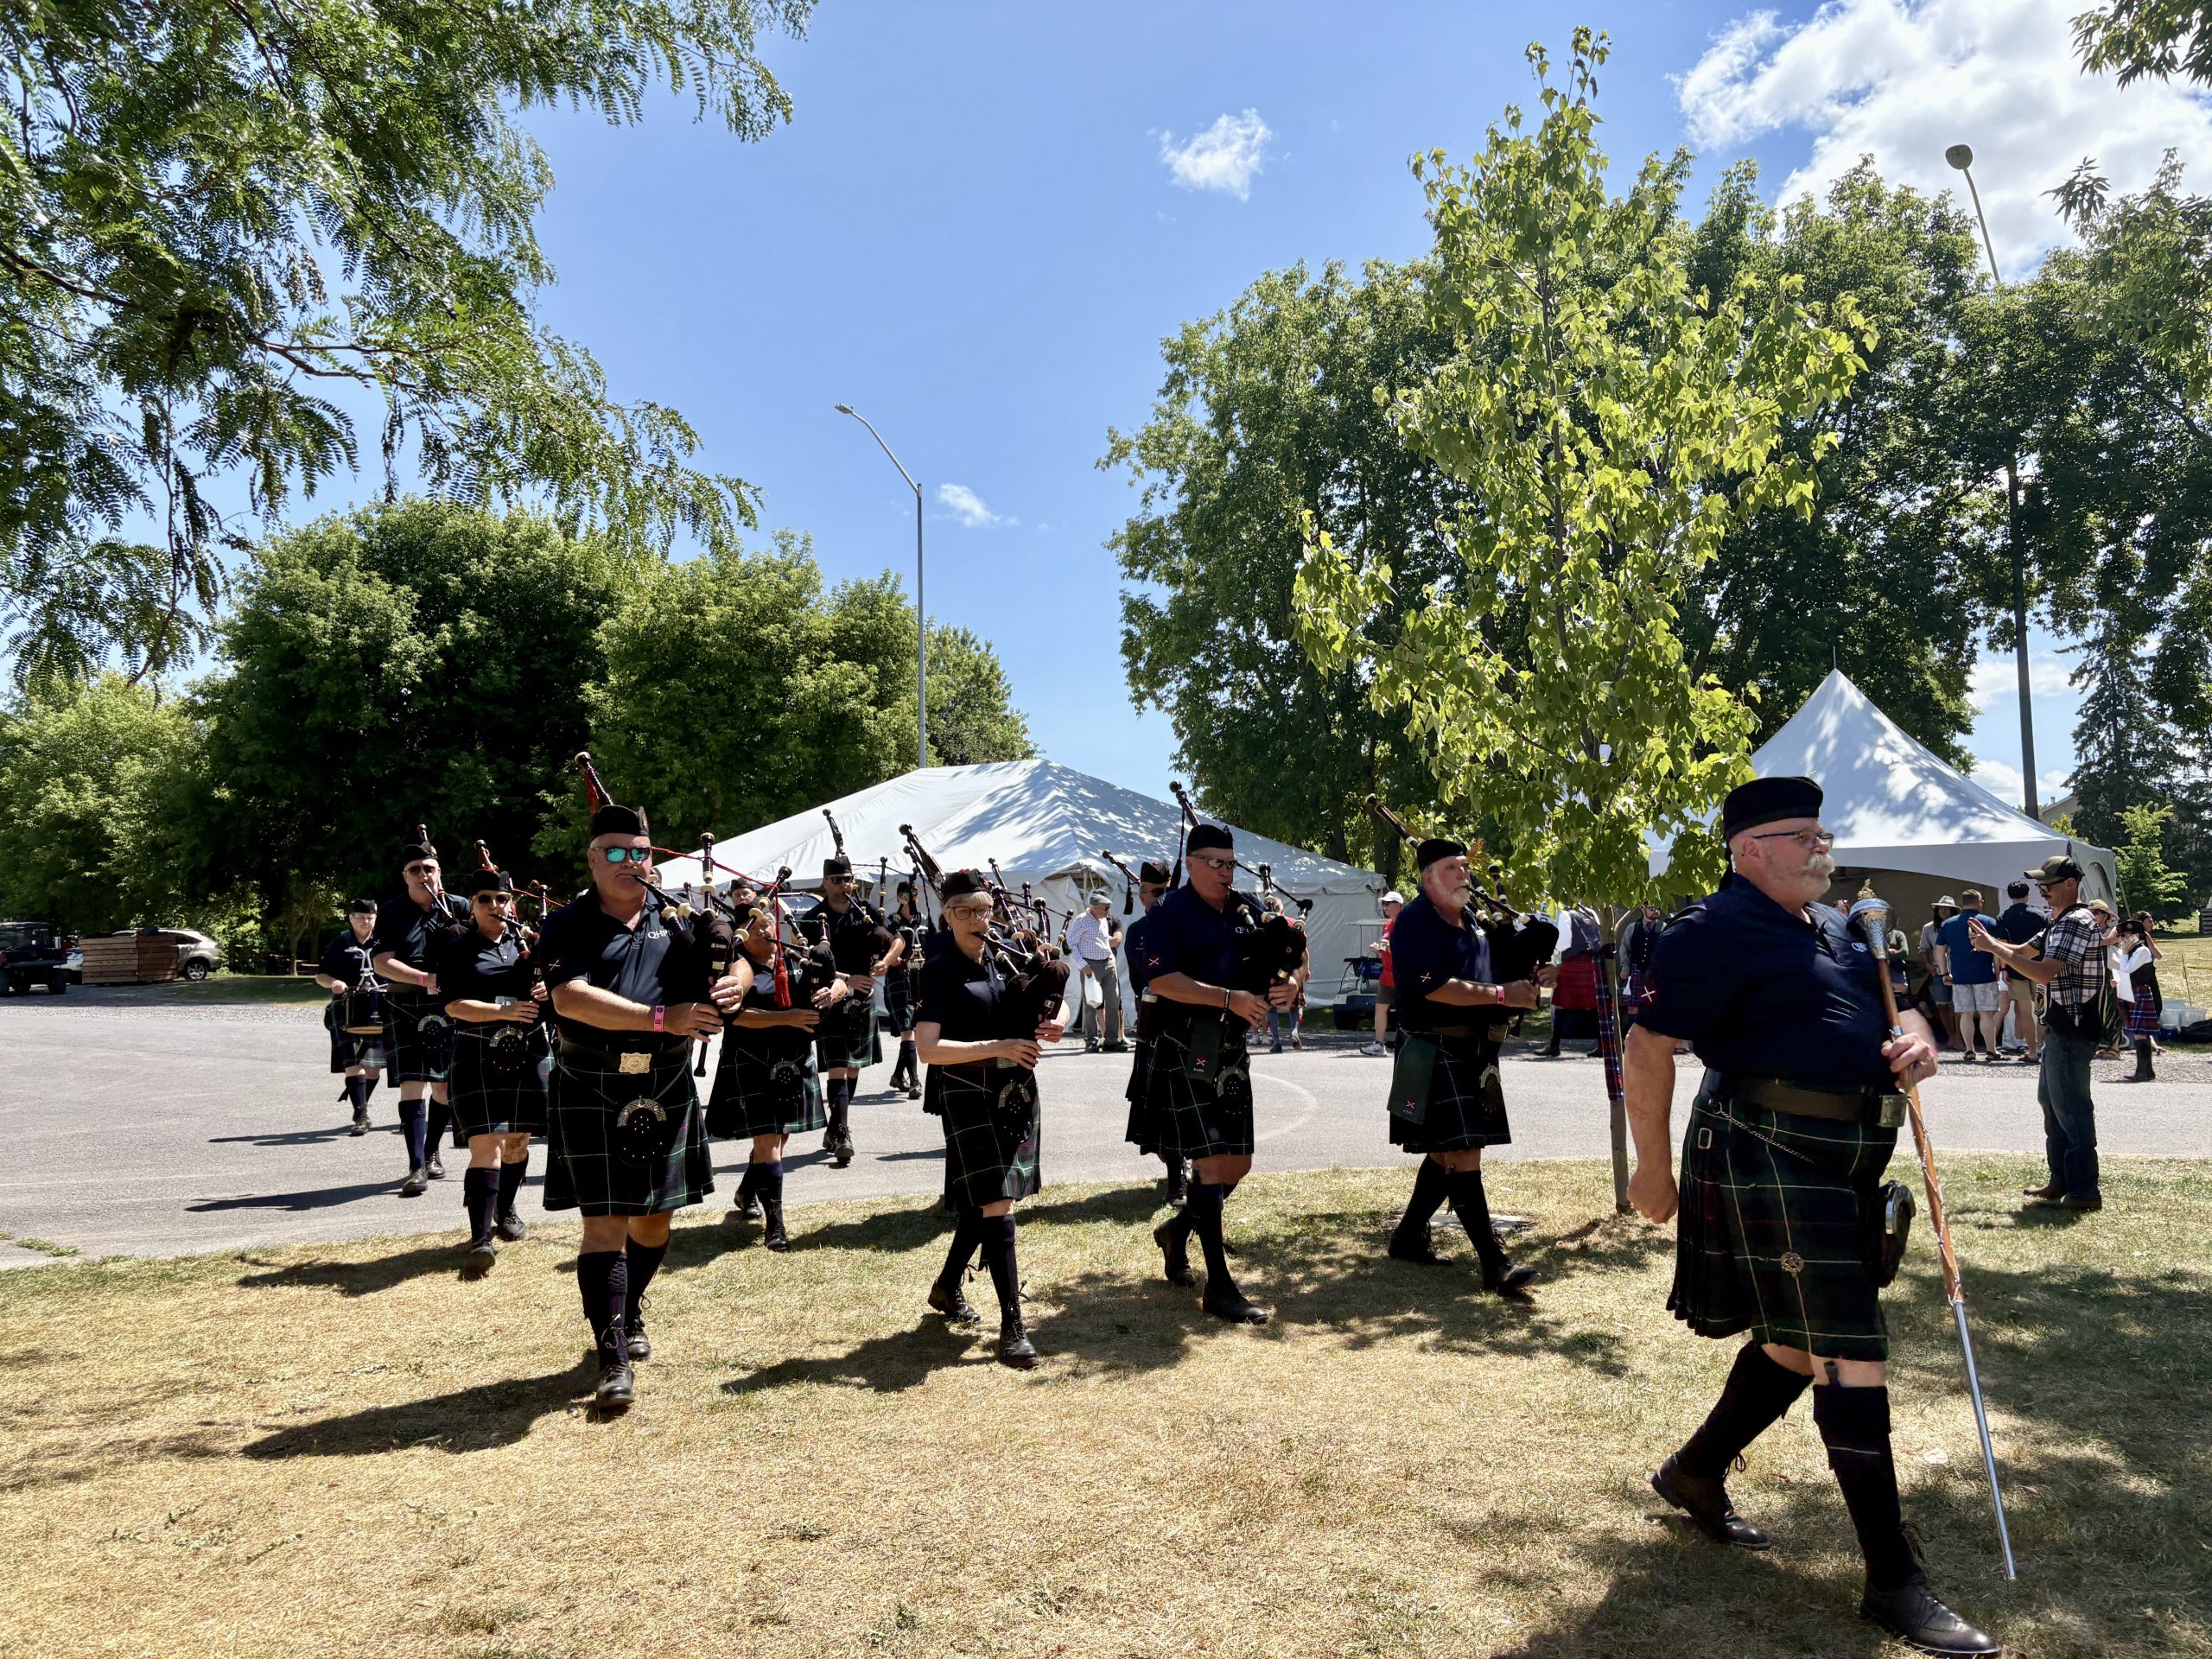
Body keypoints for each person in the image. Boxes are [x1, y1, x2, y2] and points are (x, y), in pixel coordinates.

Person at [1623, 776, 1996, 1656]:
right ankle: (1892, 1580)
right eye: (1803, 837)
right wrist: (1649, 1166)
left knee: (1798, 1342)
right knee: (1848, 1349)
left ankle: (1693, 1473)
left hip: (1852, 1156)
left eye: (1823, 833)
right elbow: (1647, 1046)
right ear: (1749, 850)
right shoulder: (1707, 932)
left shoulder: (1836, 925)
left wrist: (1917, 1041)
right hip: (1766, 1147)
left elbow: (1898, 1007)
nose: (1822, 847)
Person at [537, 801, 723, 1408]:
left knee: (654, 1222)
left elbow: (736, 966)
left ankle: (630, 1305)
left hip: (665, 1082)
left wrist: (734, 983)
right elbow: (570, 999)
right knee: (606, 1224)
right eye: (615, 852)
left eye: (640, 852)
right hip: (592, 1080)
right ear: (593, 860)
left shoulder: (676, 919)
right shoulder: (567, 924)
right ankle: (612, 1357)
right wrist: (663, 1018)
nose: (630, 862)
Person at [1142, 823, 1307, 1324]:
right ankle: (1219, 1287)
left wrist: (1292, 985)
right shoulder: (1167, 913)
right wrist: (1228, 998)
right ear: (1191, 863)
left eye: (1230, 863)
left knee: (1238, 1165)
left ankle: (1177, 1232)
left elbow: (1294, 952)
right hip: (1186, 1047)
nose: (1224, 871)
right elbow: (1160, 979)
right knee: (1211, 1166)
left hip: (1233, 1051)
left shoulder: (1245, 909)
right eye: (1214, 862)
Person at [915, 869, 1067, 1367]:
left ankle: (946, 1286)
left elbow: (1053, 1000)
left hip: (1016, 1090)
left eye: (983, 910)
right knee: (998, 1202)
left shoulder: (1006, 956)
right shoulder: (938, 970)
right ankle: (1012, 1327)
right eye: (965, 911)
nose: (977, 919)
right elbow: (928, 1049)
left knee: (988, 1200)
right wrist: (998, 1046)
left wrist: (1056, 1021)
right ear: (947, 916)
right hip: (967, 1092)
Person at [1381, 837, 1541, 1295]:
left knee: (1445, 1150)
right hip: (1433, 1046)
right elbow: (1434, 987)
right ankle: (1495, 1264)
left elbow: (1489, 971)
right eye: (1452, 867)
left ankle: (1408, 1236)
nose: (1463, 875)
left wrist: (1528, 979)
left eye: (1464, 867)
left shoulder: (1470, 917)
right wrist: (1502, 995)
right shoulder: (1414, 922)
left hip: (1474, 1048)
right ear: (1427, 878)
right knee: (1463, 1150)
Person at [1969, 858, 2105, 1215]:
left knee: (2071, 1108)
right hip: (2060, 1028)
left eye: (2048, 884)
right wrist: (1990, 942)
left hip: (2073, 1028)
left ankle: (2084, 1191)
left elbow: (2043, 972)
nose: (2041, 890)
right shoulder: (2057, 921)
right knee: (2052, 1104)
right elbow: (2021, 952)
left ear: (2071, 884)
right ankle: (2061, 1181)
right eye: (2040, 885)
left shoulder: (2075, 921)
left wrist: (1993, 947)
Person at [435, 868, 550, 1273]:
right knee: (487, 1145)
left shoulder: (526, 944)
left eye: (501, 899)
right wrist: (504, 1009)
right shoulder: (458, 947)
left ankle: (506, 1208)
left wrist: (547, 990)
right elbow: (454, 1005)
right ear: (472, 905)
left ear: (511, 904)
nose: (494, 906)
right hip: (478, 1051)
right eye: (485, 899)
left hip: (527, 1049)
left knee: (517, 1142)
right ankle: (480, 1239)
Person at [704, 897, 831, 1251]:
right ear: (742, 934)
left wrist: (832, 992)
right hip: (753, 1061)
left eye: (769, 923)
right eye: (757, 926)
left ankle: (747, 1190)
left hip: (793, 1061)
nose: (766, 929)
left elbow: (839, 982)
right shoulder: (738, 966)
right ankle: (775, 1226)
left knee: (779, 1139)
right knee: (768, 1142)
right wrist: (787, 1018)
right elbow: (735, 1016)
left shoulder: (793, 959)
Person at [370, 836, 470, 1196]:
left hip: (448, 1006)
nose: (422, 874)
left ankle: (431, 1153)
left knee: (443, 1085)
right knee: (412, 1083)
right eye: (415, 870)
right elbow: (381, 963)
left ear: (439, 871)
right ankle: (416, 1167)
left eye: (429, 868)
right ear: (405, 876)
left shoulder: (459, 906)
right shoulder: (392, 911)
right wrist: (424, 979)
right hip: (404, 1004)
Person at [800, 855, 903, 1166]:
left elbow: (897, 940)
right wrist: (848, 979)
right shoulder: (813, 918)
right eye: (837, 880)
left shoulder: (865, 911)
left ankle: (834, 1127)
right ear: (825, 882)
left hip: (863, 1000)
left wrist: (886, 961)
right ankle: (843, 1133)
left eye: (848, 880)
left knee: (854, 1068)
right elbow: (810, 963)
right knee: (839, 1066)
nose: (844, 885)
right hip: (832, 1000)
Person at [1122, 858, 1186, 1205]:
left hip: (1192, 1022)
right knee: (1164, 1106)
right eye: (1151, 892)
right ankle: (1177, 1178)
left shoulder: (1188, 923)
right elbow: (1142, 982)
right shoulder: (1137, 933)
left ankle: (1202, 1171)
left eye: (1163, 891)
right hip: (1158, 1026)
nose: (1155, 897)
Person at [315, 898, 385, 1135]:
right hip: (346, 1009)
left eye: (370, 918)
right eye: (361, 918)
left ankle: (360, 1104)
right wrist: (334, 982)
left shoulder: (383, 942)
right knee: (353, 1063)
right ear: (351, 918)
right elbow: (321, 975)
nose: (366, 922)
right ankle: (362, 1116)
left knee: (374, 1067)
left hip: (378, 1006)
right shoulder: (341, 942)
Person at [1935, 890, 2001, 1062]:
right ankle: (1991, 1050)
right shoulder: (1989, 922)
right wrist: (1998, 969)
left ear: (1962, 903)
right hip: (1984, 974)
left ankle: (1969, 1050)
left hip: (1959, 976)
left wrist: (1944, 972)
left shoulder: (1948, 924)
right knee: (1986, 1014)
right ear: (1979, 902)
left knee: (1965, 1013)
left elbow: (1940, 951)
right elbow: (1996, 949)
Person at [1988, 881, 2046, 1061]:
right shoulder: (2040, 916)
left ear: (2010, 896)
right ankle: (2043, 1048)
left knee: (2025, 1010)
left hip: (2015, 966)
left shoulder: (2003, 917)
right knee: (2042, 1010)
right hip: (2039, 966)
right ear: (2027, 895)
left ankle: (2032, 1051)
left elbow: (2002, 946)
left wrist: (2004, 968)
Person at [1064, 891, 1126, 1052]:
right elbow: (1071, 945)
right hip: (1090, 965)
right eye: (1105, 908)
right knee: (1091, 1003)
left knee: (1113, 1002)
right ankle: (1091, 1040)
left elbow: (1104, 941)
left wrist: (1111, 959)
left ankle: (1111, 1040)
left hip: (1108, 964)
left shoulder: (1103, 919)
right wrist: (1083, 965)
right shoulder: (1081, 920)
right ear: (1095, 907)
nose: (1108, 912)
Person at [884, 881, 927, 1098]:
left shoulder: (923, 920)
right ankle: (915, 1082)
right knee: (907, 1030)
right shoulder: (891, 921)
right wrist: (893, 958)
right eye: (903, 895)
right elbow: (883, 945)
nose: (908, 899)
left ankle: (897, 1076)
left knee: (914, 1029)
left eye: (910, 895)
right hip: (899, 977)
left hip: (919, 979)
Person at [1545, 904, 1602, 1057]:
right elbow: (1599, 937)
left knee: (1560, 1003)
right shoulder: (1590, 912)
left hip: (1572, 961)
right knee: (1595, 1005)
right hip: (1592, 962)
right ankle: (1602, 1045)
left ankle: (1554, 1046)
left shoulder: (1566, 915)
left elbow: (1562, 944)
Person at [2117, 912, 2164, 1082]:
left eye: (2125, 936)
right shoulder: (2133, 951)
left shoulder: (2142, 951)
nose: (2122, 939)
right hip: (2134, 992)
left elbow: (2126, 970)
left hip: (2141, 993)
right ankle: (2147, 1071)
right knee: (2139, 1032)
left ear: (2135, 936)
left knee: (2140, 1033)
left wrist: (2124, 953)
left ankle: (2142, 1072)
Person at [1362, 890, 1405, 1058]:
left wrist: (1388, 948)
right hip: (1387, 974)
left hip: (1402, 975)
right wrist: (1379, 948)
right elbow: (1387, 947)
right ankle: (1379, 1044)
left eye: (1388, 904)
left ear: (1398, 905)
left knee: (1404, 1010)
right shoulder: (1387, 925)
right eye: (1383, 904)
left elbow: (1409, 950)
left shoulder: (1407, 924)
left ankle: (1406, 1044)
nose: (1384, 907)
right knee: (1380, 1007)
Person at [1918, 899, 1961, 1050]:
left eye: (1947, 908)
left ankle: (1959, 1037)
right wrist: (1928, 965)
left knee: (1960, 1006)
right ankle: (1951, 1036)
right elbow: (1923, 949)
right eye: (1940, 908)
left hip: (1958, 970)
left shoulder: (1959, 926)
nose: (1943, 911)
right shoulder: (1929, 928)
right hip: (1937, 971)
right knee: (1942, 1005)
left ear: (1952, 911)